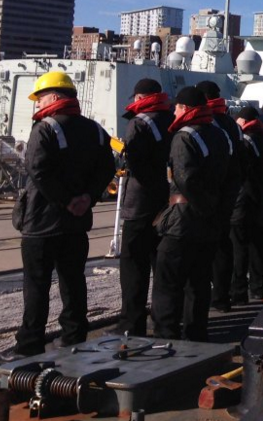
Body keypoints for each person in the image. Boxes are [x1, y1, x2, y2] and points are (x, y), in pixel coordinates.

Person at [0, 71, 115, 362]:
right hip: (76, 224)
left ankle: (29, 346)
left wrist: (66, 201)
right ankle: (74, 338)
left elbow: (37, 170)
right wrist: (86, 198)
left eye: (39, 98)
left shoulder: (45, 128)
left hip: (41, 224)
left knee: (36, 286)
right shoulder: (96, 130)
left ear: (53, 97)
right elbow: (107, 168)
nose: (37, 105)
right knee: (74, 281)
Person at [151, 86, 230, 341]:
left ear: (185, 108)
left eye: (176, 107)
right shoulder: (219, 135)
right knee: (199, 280)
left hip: (183, 219)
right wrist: (217, 210)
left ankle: (166, 334)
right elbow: (234, 176)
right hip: (211, 220)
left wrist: (201, 206)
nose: (173, 110)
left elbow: (185, 177)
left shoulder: (183, 137)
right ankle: (197, 332)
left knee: (168, 280)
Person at [117, 78, 173, 337]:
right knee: (162, 267)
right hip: (168, 205)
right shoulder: (172, 120)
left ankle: (132, 326)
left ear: (139, 98)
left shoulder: (139, 123)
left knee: (133, 269)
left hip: (140, 205)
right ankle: (165, 324)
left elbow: (136, 164)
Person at [195, 80, 241, 313]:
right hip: (229, 193)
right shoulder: (232, 124)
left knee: (202, 251)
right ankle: (223, 296)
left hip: (208, 195)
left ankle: (205, 300)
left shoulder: (206, 124)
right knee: (224, 246)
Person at [233, 106, 263, 301]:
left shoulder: (246, 140)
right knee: (257, 246)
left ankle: (238, 291)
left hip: (244, 201)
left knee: (239, 248)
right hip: (260, 199)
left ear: (242, 121)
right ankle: (259, 288)